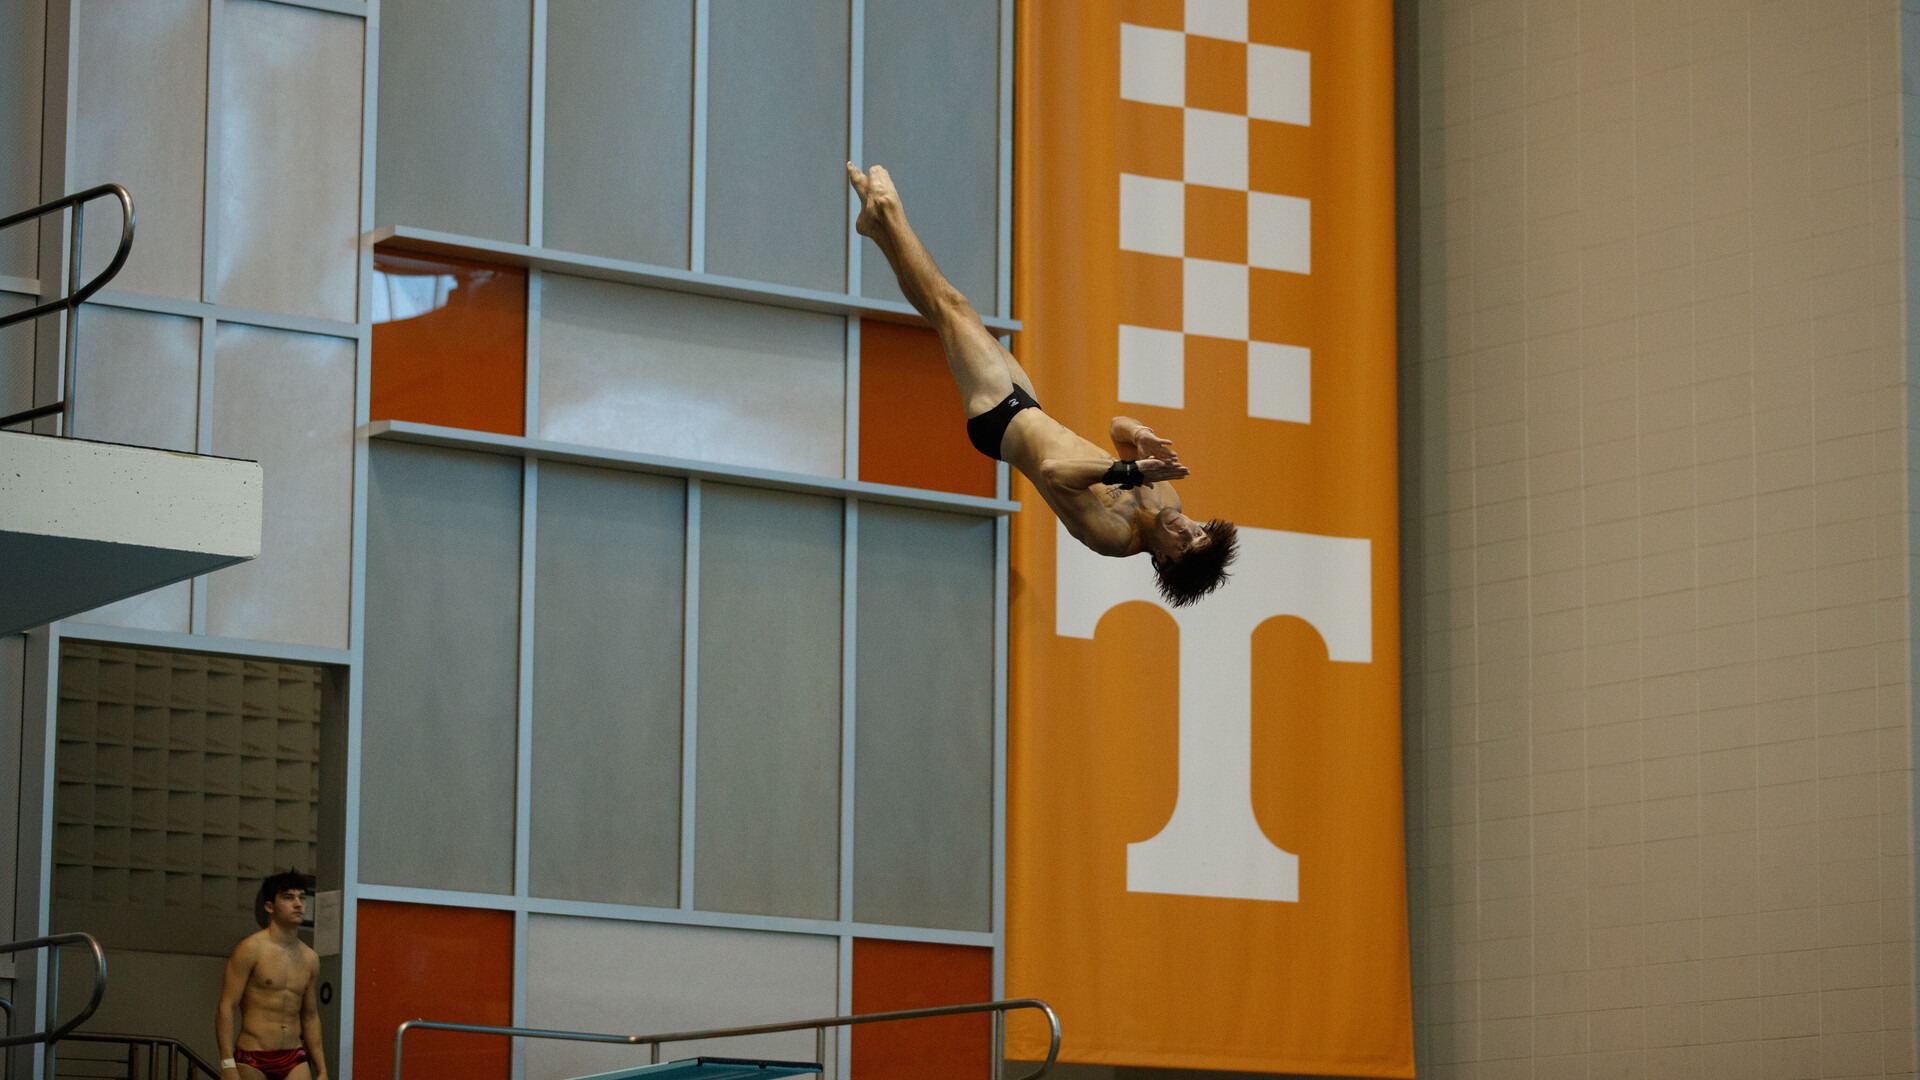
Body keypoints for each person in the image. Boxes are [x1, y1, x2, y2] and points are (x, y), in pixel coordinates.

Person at [847, 163, 1237, 605]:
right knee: (945, 313)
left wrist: (1130, 470)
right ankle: (877, 229)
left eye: (1185, 544)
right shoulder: (1167, 497)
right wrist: (1140, 435)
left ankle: (889, 212)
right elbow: (1116, 427)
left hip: (998, 422)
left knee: (951, 305)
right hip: (1028, 404)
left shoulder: (1114, 537)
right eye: (1198, 531)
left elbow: (1054, 473)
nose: (1186, 529)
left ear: (1163, 561)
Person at [215, 870, 328, 1080]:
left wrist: (322, 1069)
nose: (298, 904)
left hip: (294, 1055)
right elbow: (227, 1006)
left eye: (302, 897)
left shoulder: (310, 958)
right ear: (269, 906)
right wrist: (227, 1063)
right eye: (288, 897)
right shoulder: (251, 949)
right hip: (254, 1054)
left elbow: (310, 1016)